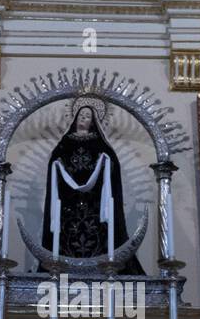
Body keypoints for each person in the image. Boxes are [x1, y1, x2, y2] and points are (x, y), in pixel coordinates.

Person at [40, 104, 142, 273]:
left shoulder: (99, 144)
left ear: (92, 122)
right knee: (66, 235)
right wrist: (57, 164)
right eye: (80, 115)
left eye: (87, 116)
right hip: (69, 203)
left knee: (97, 233)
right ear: (74, 118)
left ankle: (100, 268)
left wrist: (107, 162)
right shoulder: (65, 142)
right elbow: (54, 163)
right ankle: (64, 268)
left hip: (94, 202)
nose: (83, 118)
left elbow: (112, 165)